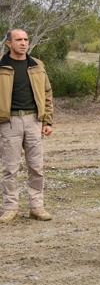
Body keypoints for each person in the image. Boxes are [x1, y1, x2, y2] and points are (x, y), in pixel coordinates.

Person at [0, 29, 53, 223]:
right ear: (8, 43)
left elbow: (47, 93)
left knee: (36, 167)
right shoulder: (1, 66)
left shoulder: (37, 65)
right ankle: (9, 208)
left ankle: (36, 207)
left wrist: (47, 121)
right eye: (18, 40)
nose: (23, 43)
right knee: (10, 169)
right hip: (9, 123)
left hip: (34, 122)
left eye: (25, 39)